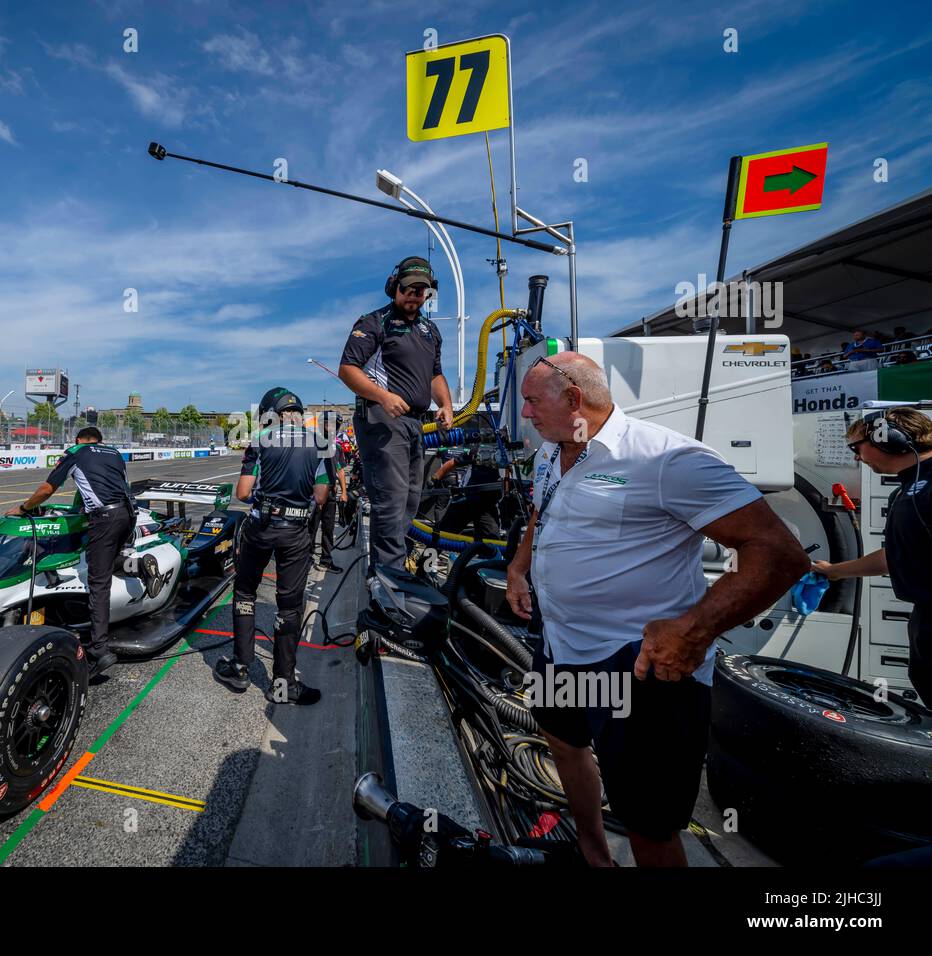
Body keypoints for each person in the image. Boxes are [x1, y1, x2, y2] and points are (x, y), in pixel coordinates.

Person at [504, 352, 807, 866]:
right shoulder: (550, 455)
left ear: (574, 400)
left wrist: (693, 630)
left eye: (533, 401)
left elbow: (778, 553)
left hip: (639, 665)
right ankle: (594, 856)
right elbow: (542, 510)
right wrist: (519, 565)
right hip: (559, 643)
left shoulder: (666, 459)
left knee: (650, 821)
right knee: (562, 741)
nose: (526, 415)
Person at [214, 387, 334, 704]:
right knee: (290, 605)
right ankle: (283, 685)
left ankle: (240, 667)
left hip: (261, 528)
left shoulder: (260, 438)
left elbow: (242, 492)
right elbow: (321, 496)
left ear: (271, 412)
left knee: (244, 591)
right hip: (296, 533)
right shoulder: (318, 442)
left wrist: (267, 503)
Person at [339, 256, 453, 573]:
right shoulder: (374, 322)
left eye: (423, 291)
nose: (415, 296)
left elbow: (435, 375)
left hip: (415, 422)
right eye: (409, 289)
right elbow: (347, 370)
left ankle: (392, 569)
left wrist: (445, 404)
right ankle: (388, 578)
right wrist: (384, 396)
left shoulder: (431, 331)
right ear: (395, 287)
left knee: (410, 500)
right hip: (382, 418)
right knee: (391, 499)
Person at [812, 407, 932, 702]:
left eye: (857, 447)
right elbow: (896, 555)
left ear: (889, 438)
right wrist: (835, 571)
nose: (856, 457)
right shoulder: (906, 489)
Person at [9, 426, 147, 675]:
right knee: (106, 562)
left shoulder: (75, 452)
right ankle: (135, 566)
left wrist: (23, 507)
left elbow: (48, 489)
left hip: (105, 518)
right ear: (100, 440)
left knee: (98, 582)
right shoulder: (114, 453)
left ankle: (99, 649)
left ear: (78, 439)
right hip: (128, 514)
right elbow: (113, 484)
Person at [310, 411, 348, 572]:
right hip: (316, 493)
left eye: (335, 424)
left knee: (328, 528)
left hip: (331, 493)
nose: (332, 427)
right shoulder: (314, 444)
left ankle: (326, 560)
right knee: (311, 528)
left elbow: (340, 470)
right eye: (329, 424)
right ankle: (306, 557)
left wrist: (344, 492)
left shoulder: (337, 446)